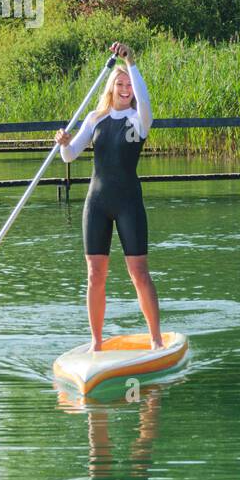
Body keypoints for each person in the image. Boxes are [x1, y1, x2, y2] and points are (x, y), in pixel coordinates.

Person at [54, 42, 163, 350]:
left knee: (139, 273)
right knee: (94, 275)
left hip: (129, 202)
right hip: (97, 203)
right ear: (111, 87)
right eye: (120, 83)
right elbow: (69, 156)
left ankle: (156, 340)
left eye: (129, 84)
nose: (125, 88)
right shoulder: (95, 119)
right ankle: (97, 342)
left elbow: (145, 103)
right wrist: (63, 141)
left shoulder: (139, 121)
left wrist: (130, 63)